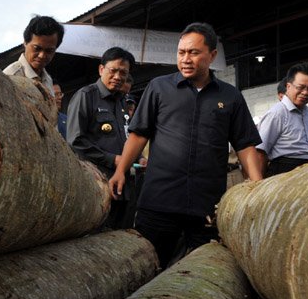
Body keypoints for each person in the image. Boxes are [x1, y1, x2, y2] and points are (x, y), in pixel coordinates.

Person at [109, 22, 263, 268]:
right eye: (181, 52)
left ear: (212, 55)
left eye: (194, 52)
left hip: (206, 206)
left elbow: (245, 145)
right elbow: (139, 134)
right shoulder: (159, 88)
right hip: (159, 201)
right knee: (147, 266)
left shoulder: (230, 96)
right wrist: (120, 171)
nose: (186, 59)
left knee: (202, 270)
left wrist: (257, 187)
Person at [66, 46, 136, 228]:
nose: (118, 77)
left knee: (120, 235)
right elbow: (76, 141)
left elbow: (125, 136)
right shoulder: (86, 96)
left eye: (123, 73)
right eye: (113, 70)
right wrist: (112, 159)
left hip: (123, 184)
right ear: (101, 69)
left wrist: (137, 158)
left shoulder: (122, 101)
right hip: (96, 185)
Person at [256, 62, 308, 176]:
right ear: (288, 87)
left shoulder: (306, 113)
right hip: (286, 171)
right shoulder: (277, 113)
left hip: (307, 169)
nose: (306, 92)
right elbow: (260, 151)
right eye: (300, 87)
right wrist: (258, 183)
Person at [3, 15, 64, 93]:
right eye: (37, 48)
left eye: (49, 51)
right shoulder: (10, 77)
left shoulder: (48, 80)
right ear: (25, 43)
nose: (42, 56)